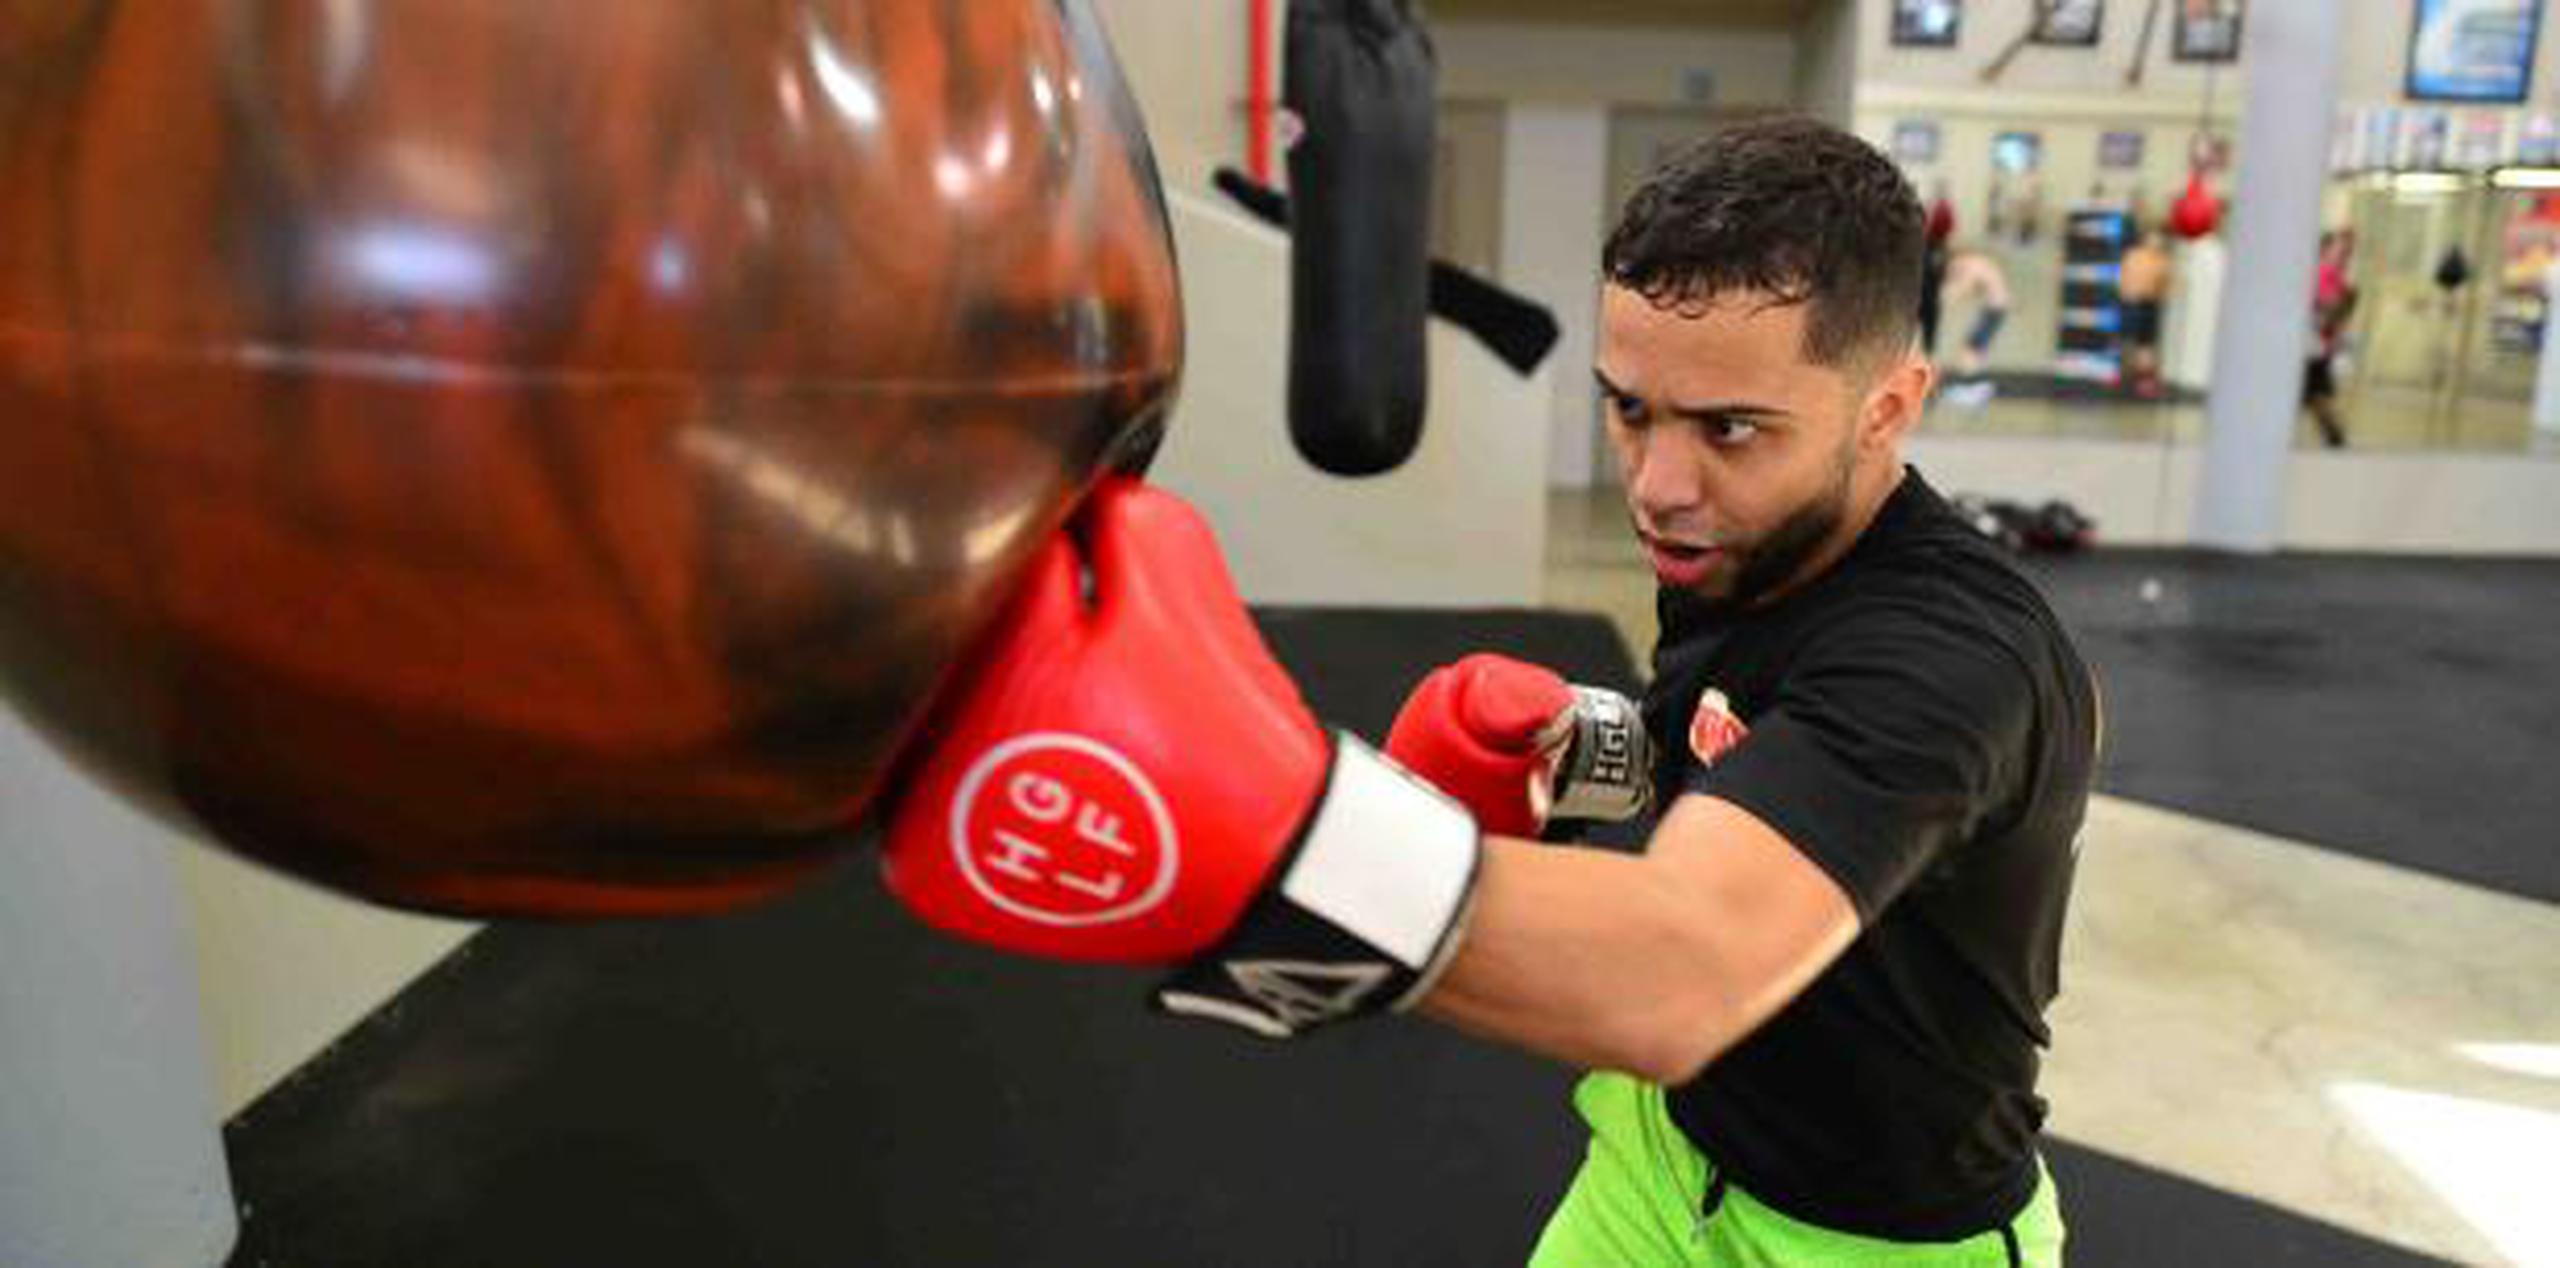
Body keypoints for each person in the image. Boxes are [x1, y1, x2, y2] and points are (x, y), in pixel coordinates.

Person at [872, 116, 2095, 1267]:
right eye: (1631, 410)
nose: (1658, 484)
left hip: (1878, 1238)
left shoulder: (1949, 658)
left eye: (1729, 428)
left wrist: (1286, 836)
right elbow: (1728, 744)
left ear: (1887, 408)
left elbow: (1683, 975)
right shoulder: (1738, 537)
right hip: (1667, 1159)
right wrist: (1585, 743)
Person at [1939, 245, 2013, 408]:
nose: (1953, 273)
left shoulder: (1972, 265)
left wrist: (1939, 299)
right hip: (1995, 309)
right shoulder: (1979, 263)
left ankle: (1969, 388)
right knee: (1973, 348)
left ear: (1957, 260)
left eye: (1953, 270)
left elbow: (1962, 288)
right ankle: (1971, 387)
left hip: (1994, 310)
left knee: (1970, 350)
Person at [2306, 230, 2356, 448]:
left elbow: (2334, 311)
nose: (2344, 253)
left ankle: (2336, 437)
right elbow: (2325, 306)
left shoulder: (2332, 274)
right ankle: (2335, 437)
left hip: (2317, 346)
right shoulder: (2322, 272)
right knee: (2318, 395)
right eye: (2338, 247)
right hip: (2312, 344)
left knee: (2318, 395)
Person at [2117, 228, 2172, 398]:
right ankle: (2125, 378)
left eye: (2159, 240)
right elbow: (2124, 278)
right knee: (2127, 341)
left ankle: (2142, 382)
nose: (2156, 243)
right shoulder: (2134, 256)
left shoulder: (2161, 260)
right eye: (2153, 238)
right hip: (2131, 302)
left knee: (2145, 345)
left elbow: (2165, 285)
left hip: (2149, 304)